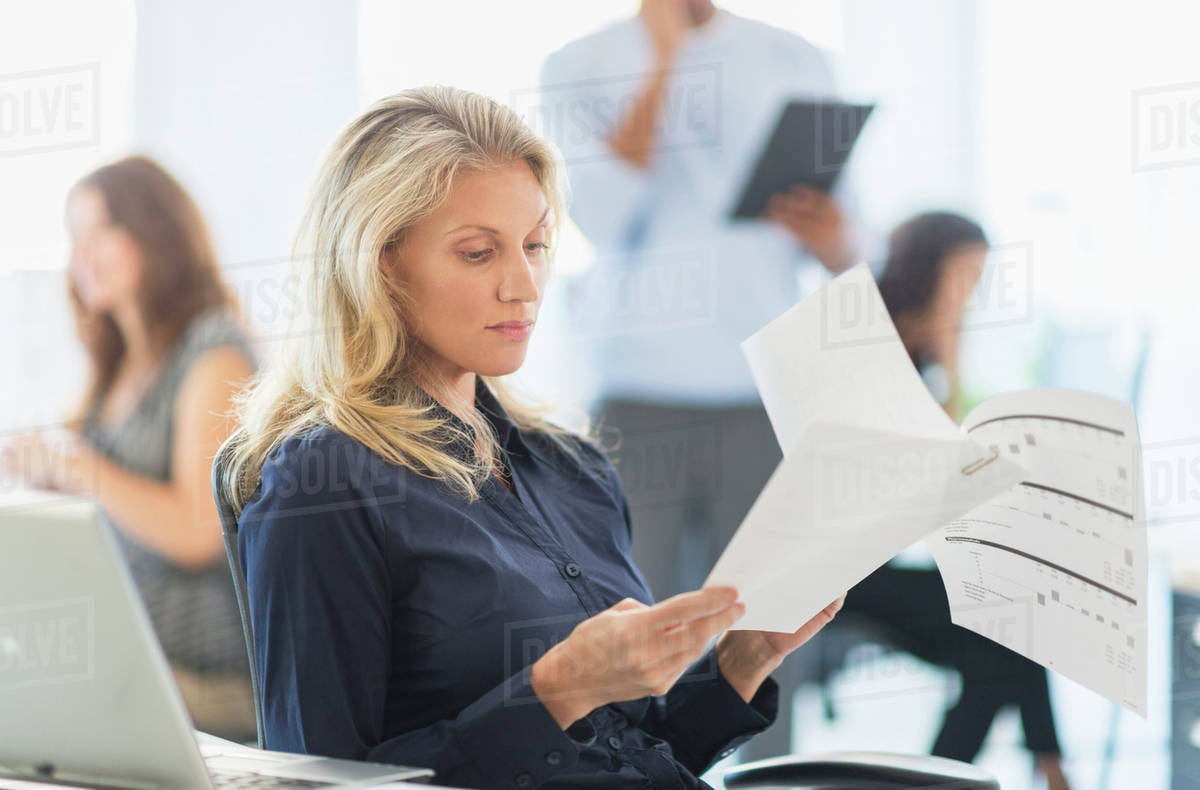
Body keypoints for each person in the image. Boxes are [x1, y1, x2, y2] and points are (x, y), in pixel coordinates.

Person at [220, 86, 844, 789]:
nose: (524, 285)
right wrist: (559, 689)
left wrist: (743, 659)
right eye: (478, 253)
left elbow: (628, 752)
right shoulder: (324, 483)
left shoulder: (570, 467)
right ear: (381, 263)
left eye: (536, 245)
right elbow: (321, 783)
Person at [539, 0, 861, 758]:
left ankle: (770, 780)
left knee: (770, 630)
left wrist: (832, 234)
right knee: (628, 628)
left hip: (762, 389)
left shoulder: (796, 58)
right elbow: (603, 214)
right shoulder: (576, 65)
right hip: (637, 392)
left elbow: (851, 240)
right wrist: (662, 58)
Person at [3, 156, 258, 740]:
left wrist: (81, 468)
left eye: (101, 232)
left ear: (156, 233)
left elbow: (199, 531)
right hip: (131, 657)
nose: (81, 257)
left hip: (203, 674)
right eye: (74, 238)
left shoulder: (214, 351)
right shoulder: (116, 368)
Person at [841, 211, 1071, 790]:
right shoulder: (877, 347)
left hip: (882, 561)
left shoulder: (919, 353)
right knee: (1004, 637)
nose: (973, 291)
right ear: (930, 271)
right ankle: (1034, 771)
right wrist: (950, 348)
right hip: (842, 572)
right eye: (965, 274)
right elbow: (934, 472)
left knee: (1015, 615)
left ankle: (1041, 769)